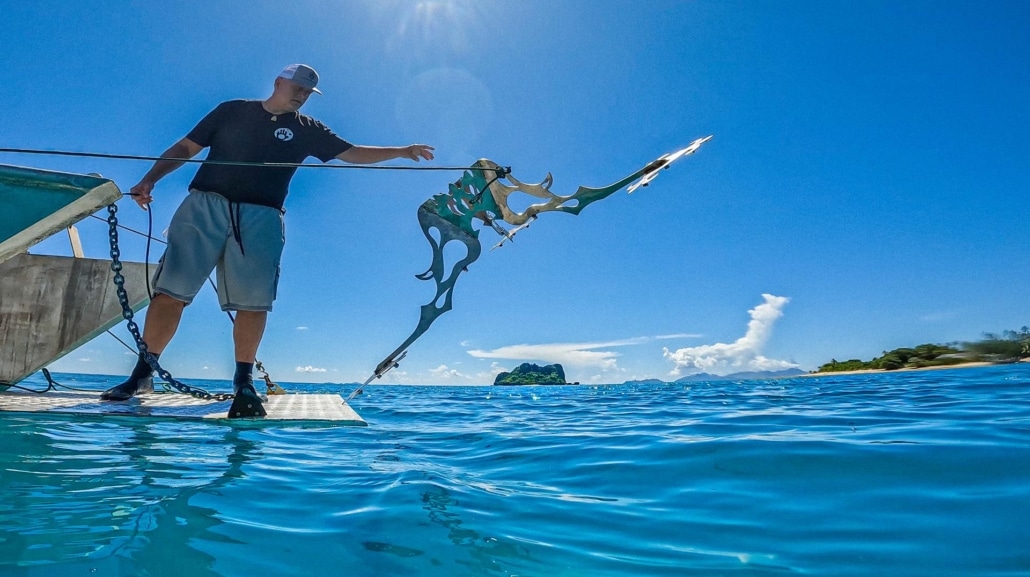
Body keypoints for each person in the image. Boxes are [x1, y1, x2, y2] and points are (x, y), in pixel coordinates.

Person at [100, 64, 434, 417]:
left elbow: (351, 152)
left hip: (262, 217)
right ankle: (141, 375)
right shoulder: (232, 110)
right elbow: (186, 147)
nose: (302, 97)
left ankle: (243, 382)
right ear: (278, 83)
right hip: (204, 206)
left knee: (254, 302)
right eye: (298, 89)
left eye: (308, 93)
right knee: (171, 292)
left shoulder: (308, 130)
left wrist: (401, 150)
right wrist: (150, 179)